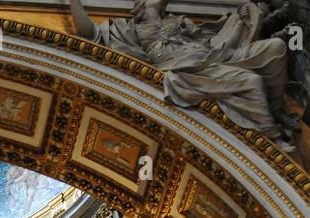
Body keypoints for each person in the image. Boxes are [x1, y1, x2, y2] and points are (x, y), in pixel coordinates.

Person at [67, 0, 291, 143]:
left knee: (276, 49)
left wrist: (242, 22)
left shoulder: (181, 22)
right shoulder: (129, 29)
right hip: (182, 69)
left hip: (210, 59)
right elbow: (89, 32)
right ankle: (270, 138)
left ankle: (277, 112)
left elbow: (219, 45)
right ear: (141, 5)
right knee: (252, 82)